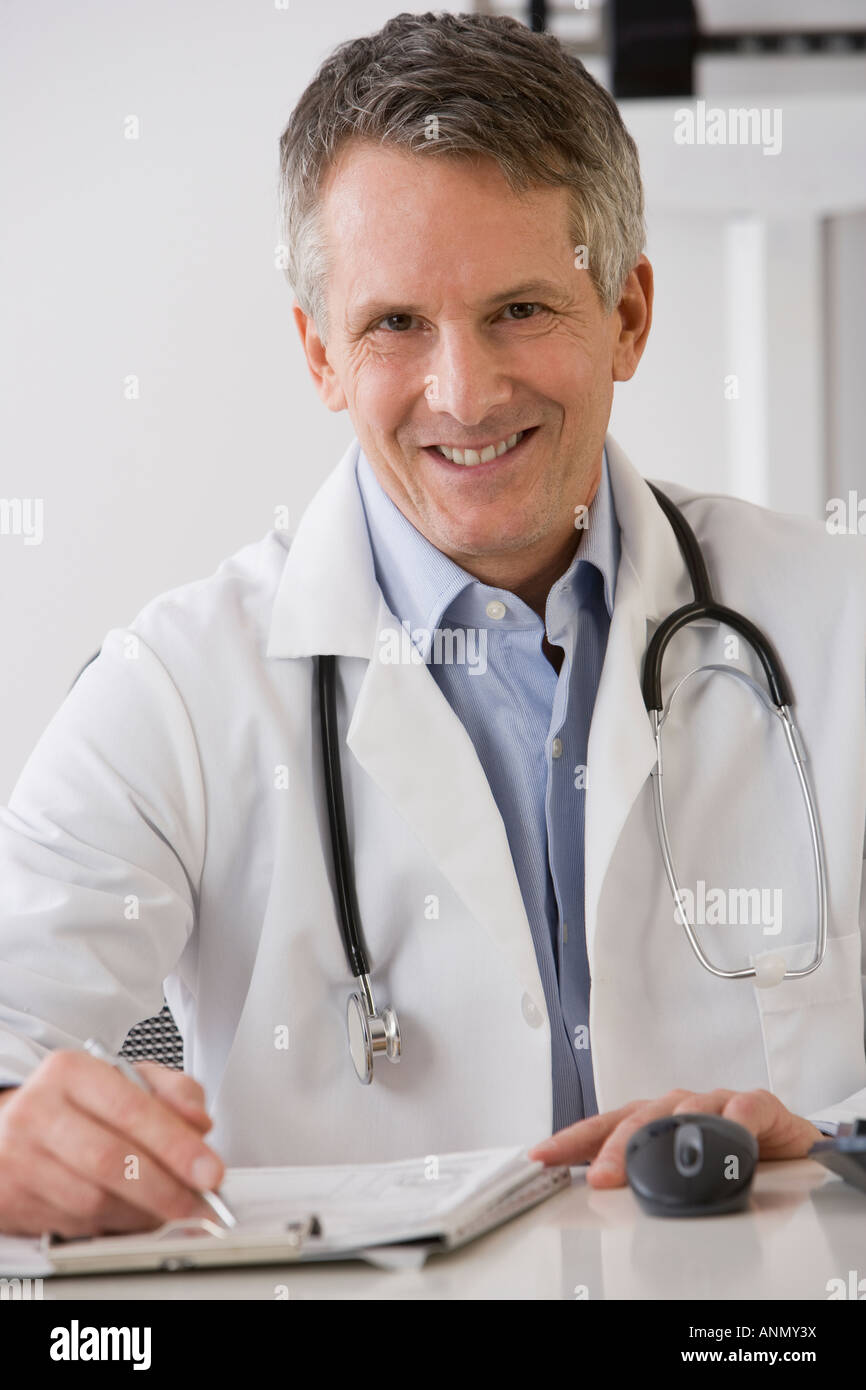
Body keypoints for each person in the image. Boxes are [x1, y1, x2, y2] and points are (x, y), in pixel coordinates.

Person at [1, 12, 864, 1240]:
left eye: (519, 309)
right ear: (319, 353)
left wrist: (836, 1136)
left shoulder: (840, 625)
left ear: (625, 313)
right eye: (395, 323)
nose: (463, 393)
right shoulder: (175, 693)